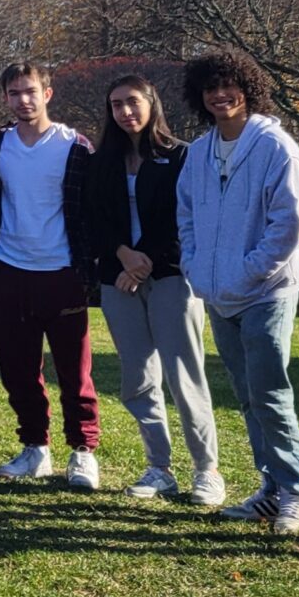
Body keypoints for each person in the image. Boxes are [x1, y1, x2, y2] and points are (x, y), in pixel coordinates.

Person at [179, 48, 299, 539]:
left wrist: (248, 272)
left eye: (229, 85)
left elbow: (289, 223)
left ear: (249, 88)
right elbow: (188, 216)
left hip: (267, 292)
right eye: (210, 88)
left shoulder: (276, 146)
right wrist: (197, 269)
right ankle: (273, 488)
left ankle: (298, 492)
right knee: (247, 395)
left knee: (270, 393)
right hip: (218, 295)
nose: (220, 95)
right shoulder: (198, 152)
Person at [87, 75, 221, 505]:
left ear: (151, 103)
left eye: (132, 102)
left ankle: (207, 470)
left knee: (185, 375)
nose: (125, 111)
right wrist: (123, 255)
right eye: (116, 104)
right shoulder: (100, 161)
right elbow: (91, 221)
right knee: (139, 378)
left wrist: (143, 261)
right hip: (118, 280)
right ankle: (159, 467)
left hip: (169, 277)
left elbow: (187, 218)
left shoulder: (180, 156)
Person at [0, 62, 100, 489]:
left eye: (30, 91)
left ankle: (82, 451)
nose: (23, 100)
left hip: (62, 273)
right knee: (17, 369)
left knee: (74, 371)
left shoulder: (75, 147)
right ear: (6, 98)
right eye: (14, 93)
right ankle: (35, 448)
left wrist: (90, 269)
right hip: (7, 272)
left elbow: (89, 213)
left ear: (47, 94)